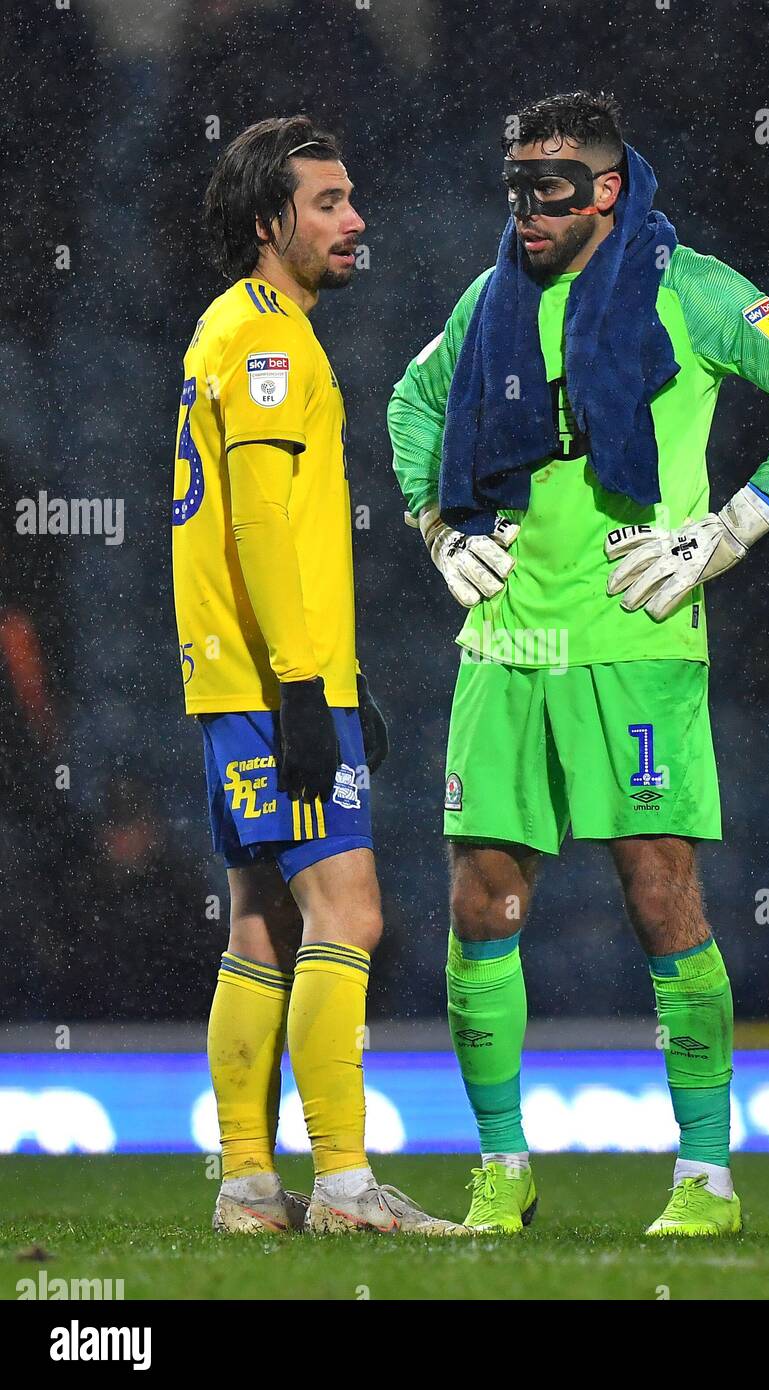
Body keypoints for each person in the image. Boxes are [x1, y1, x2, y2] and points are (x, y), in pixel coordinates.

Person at [388, 91, 769, 1236]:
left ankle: (706, 1178)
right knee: (481, 904)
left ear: (607, 190)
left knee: (661, 898)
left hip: (635, 635)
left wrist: (732, 527)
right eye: (515, 187)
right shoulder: (490, 298)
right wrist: (439, 525)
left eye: (550, 189)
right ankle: (501, 1169)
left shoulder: (688, 285)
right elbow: (412, 400)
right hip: (507, 641)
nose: (528, 209)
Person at [172, 115, 461, 1236]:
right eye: (328, 203)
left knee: (260, 924)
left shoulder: (231, 326)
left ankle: (251, 1187)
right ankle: (343, 1183)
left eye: (352, 198)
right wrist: (303, 682)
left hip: (236, 679)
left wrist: (335, 673)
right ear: (268, 222)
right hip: (273, 682)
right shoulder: (271, 342)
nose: (355, 220)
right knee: (350, 912)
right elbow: (255, 521)